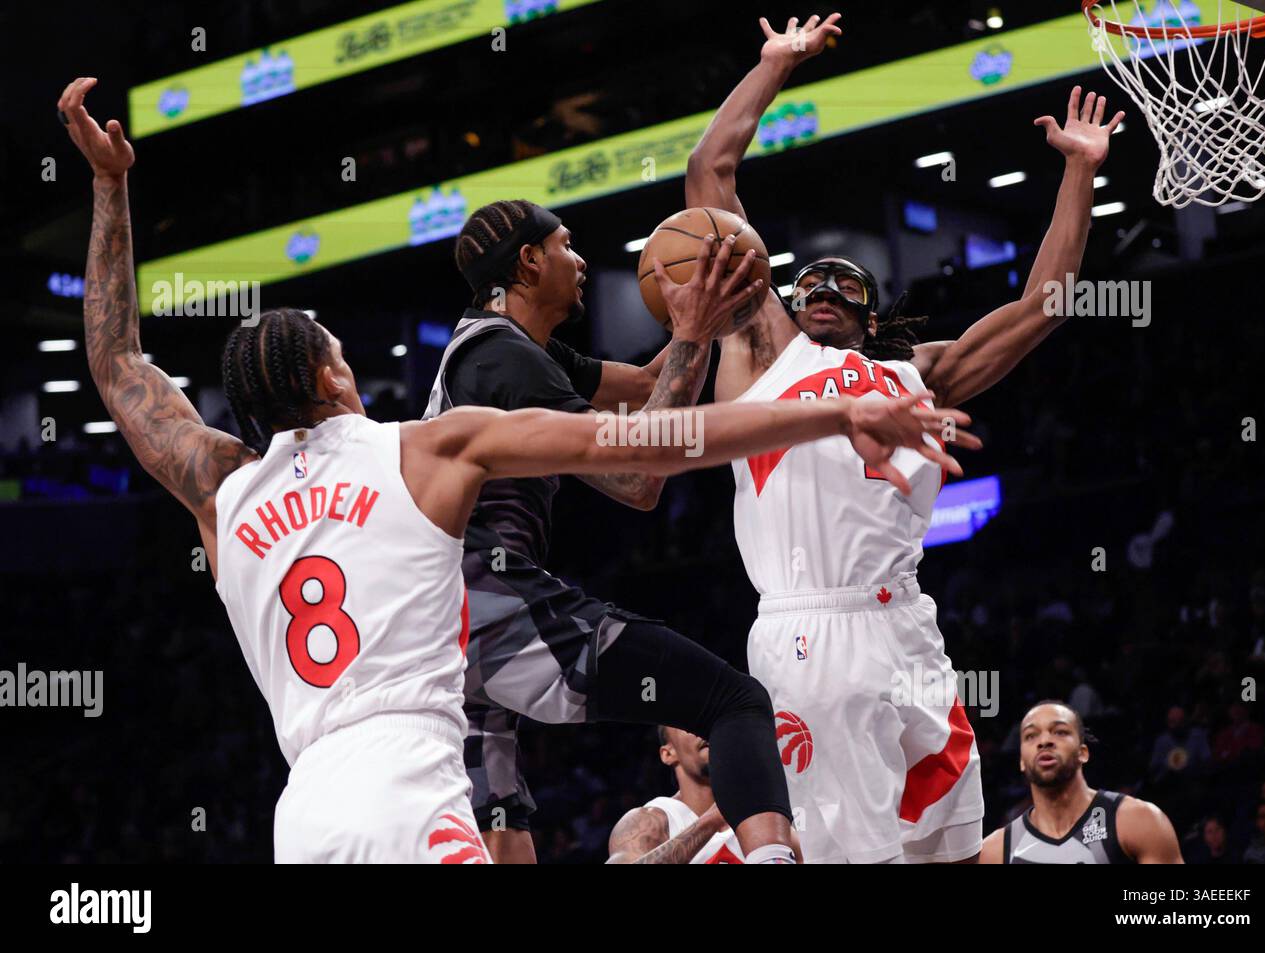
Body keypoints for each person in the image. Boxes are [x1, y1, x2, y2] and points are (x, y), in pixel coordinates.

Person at [59, 75, 975, 863]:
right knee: (729, 698)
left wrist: (107, 190)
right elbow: (645, 458)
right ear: (335, 375)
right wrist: (837, 406)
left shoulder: (222, 488)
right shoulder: (427, 446)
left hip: (307, 806)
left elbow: (118, 365)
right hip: (427, 748)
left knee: (514, 815)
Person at [685, 12, 1125, 863]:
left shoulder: (921, 371)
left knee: (950, 845)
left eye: (840, 284)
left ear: (873, 314)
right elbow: (711, 171)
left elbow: (1045, 306)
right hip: (812, 629)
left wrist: (1078, 174)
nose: (817, 290)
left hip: (910, 628)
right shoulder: (771, 349)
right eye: (803, 281)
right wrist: (775, 63)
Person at [979, 702, 1183, 864]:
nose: (1044, 742)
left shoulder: (1137, 820)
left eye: (1059, 732)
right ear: (1022, 761)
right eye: (1031, 736)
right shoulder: (995, 852)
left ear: (1083, 753)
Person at [606, 727, 785, 863]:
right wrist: (712, 820)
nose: (703, 729)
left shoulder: (768, 816)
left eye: (709, 721)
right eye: (688, 723)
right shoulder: (647, 821)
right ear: (668, 753)